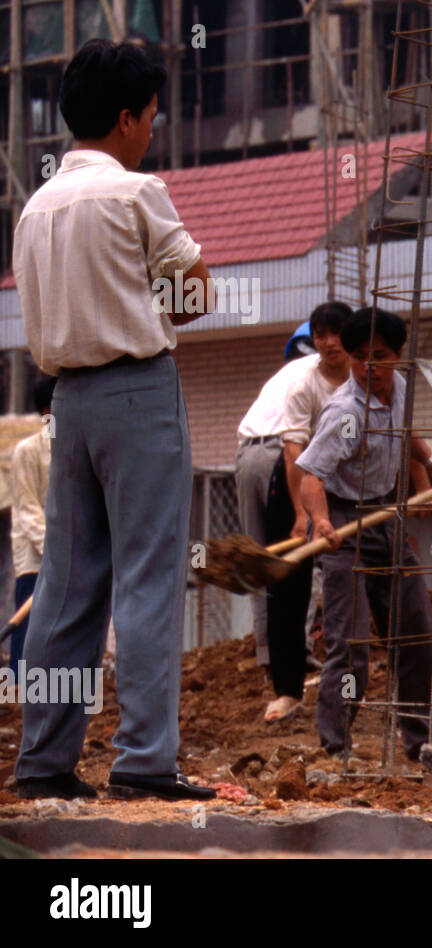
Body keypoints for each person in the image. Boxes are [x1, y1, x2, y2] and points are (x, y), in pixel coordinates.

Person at [12, 39, 215, 800]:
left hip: (68, 401)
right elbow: (192, 295)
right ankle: (144, 762)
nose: (152, 131)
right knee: (148, 581)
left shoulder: (35, 206)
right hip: (138, 391)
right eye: (151, 117)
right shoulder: (135, 193)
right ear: (127, 118)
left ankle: (44, 763)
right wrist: (154, 300)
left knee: (66, 587)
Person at [295, 309, 432, 760]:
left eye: (381, 358)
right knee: (350, 647)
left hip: (387, 517)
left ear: (398, 356)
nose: (370, 369)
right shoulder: (343, 413)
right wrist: (323, 520)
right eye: (359, 360)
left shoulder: (401, 388)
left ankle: (419, 741)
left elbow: (405, 432)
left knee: (415, 633)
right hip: (345, 525)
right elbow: (311, 475)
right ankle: (336, 746)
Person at [234, 302, 351, 724]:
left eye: (336, 335)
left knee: (287, 565)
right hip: (280, 462)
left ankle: (286, 664)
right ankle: (288, 676)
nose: (329, 344)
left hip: (273, 457)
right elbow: (295, 454)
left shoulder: (357, 375)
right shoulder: (306, 378)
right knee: (288, 565)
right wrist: (304, 513)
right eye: (322, 336)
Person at [7, 374, 56, 671]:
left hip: (69, 556)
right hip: (35, 557)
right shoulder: (27, 451)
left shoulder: (75, 448)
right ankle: (17, 691)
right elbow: (27, 510)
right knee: (28, 631)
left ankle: (57, 695)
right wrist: (52, 546)